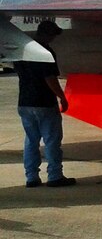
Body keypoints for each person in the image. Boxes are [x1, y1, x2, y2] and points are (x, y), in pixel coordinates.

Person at [15, 20, 75, 188]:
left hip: (25, 102)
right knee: (52, 140)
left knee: (31, 140)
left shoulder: (23, 49)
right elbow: (50, 78)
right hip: (45, 102)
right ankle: (55, 175)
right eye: (53, 35)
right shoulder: (46, 52)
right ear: (47, 34)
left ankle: (31, 177)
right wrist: (62, 97)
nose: (54, 38)